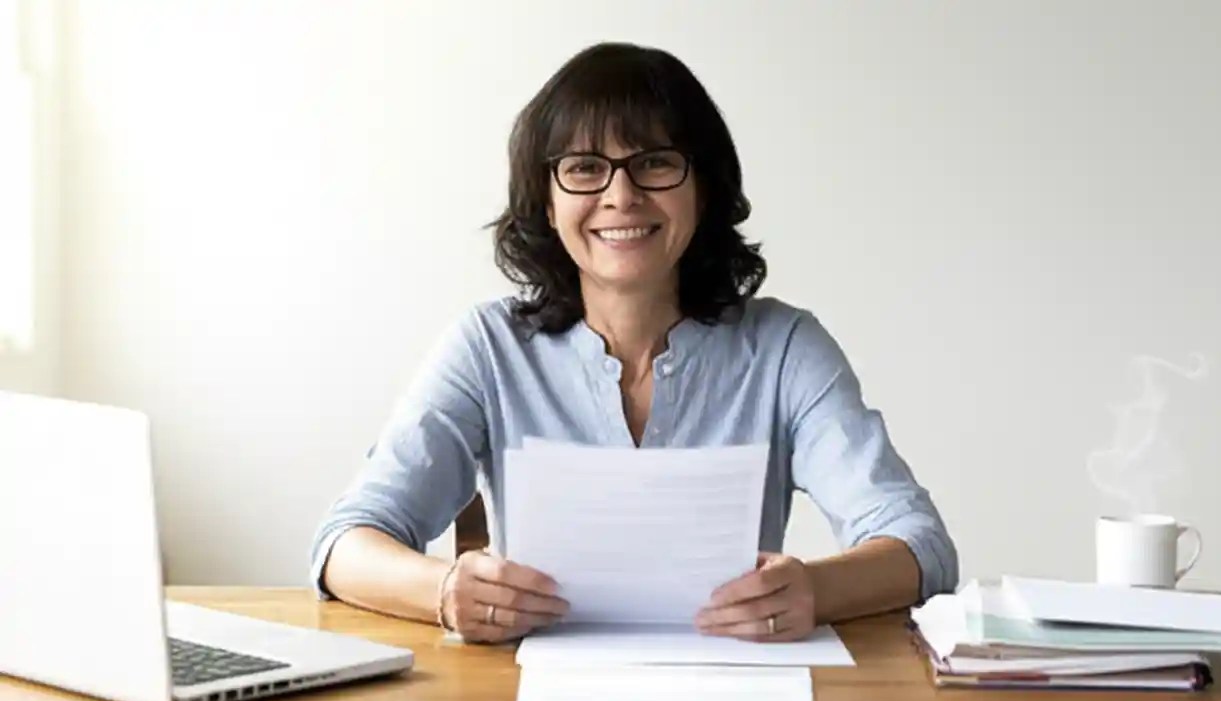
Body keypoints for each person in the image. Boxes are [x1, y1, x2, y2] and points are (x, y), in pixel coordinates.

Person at [310, 42, 958, 645]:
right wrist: (447, 591)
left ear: (702, 186)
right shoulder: (487, 347)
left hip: (738, 691)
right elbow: (344, 544)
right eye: (585, 168)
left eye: (654, 162)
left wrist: (813, 589)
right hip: (537, 694)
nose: (621, 196)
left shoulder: (786, 348)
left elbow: (919, 544)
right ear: (546, 197)